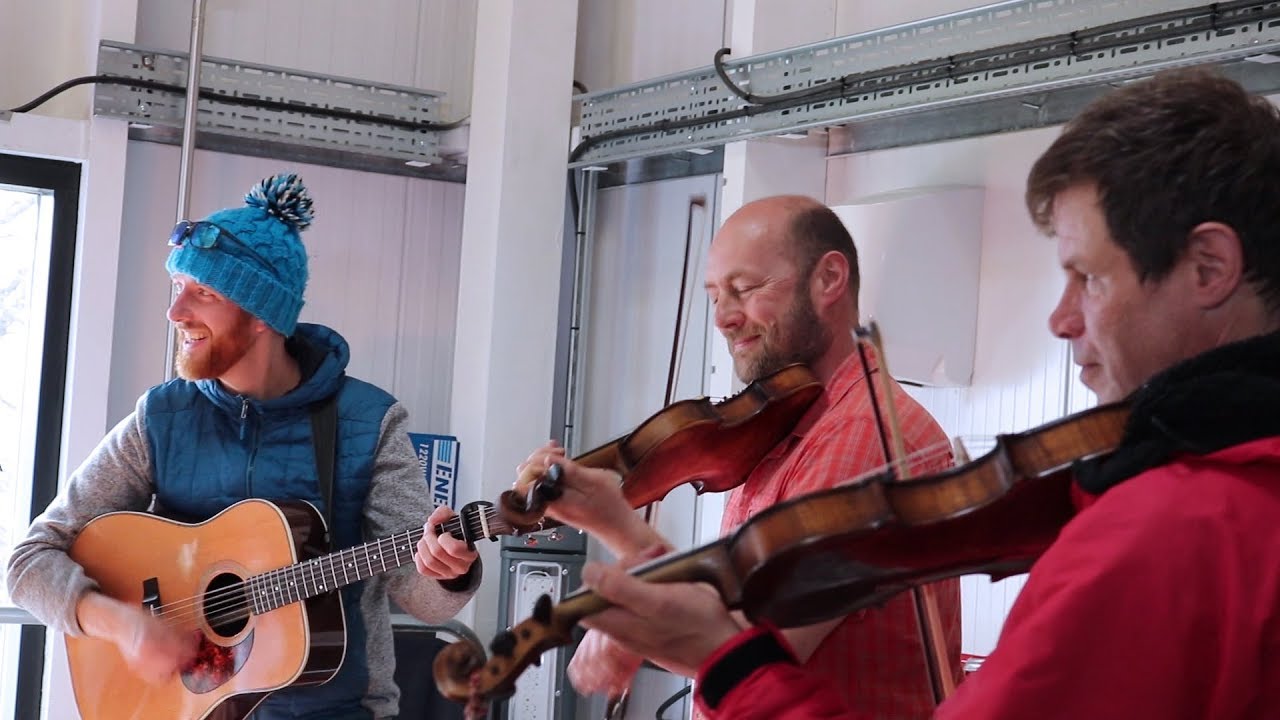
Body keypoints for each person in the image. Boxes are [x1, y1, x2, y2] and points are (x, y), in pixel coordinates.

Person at [565, 68, 1280, 718]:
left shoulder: (1167, 525)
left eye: (1088, 278)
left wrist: (712, 647)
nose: (1060, 321)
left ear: (1209, 268)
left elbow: (760, 633)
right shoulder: (1222, 491)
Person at [6, 173, 481, 720]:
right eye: (178, 288)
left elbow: (421, 596)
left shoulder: (368, 422)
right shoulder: (159, 419)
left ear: (261, 316)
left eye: (202, 293)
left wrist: (450, 567)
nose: (175, 312)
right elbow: (29, 562)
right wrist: (124, 623)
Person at [518, 194, 963, 718]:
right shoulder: (783, 428)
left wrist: (634, 598)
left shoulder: (865, 435)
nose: (724, 319)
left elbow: (753, 644)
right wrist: (614, 526)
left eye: (745, 289)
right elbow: (731, 608)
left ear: (829, 280)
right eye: (714, 296)